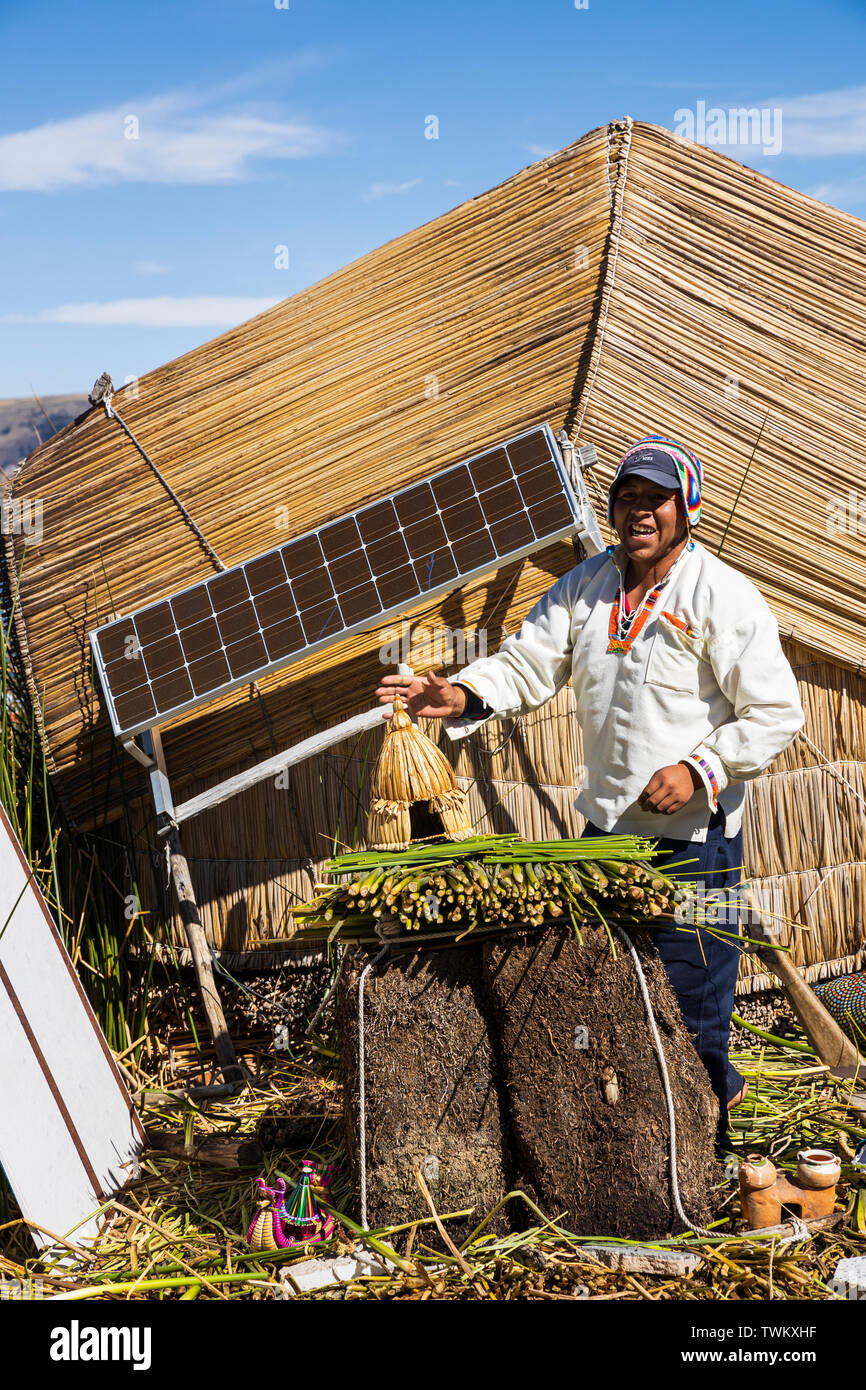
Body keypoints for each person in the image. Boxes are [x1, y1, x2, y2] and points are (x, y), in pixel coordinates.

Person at [376, 435, 804, 1148]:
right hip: (608, 835)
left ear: (686, 508)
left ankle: (709, 1152)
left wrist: (700, 769)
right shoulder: (587, 587)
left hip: (696, 843)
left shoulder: (721, 595)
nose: (639, 512)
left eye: (655, 499)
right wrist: (459, 692)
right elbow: (528, 662)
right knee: (612, 990)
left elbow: (777, 712)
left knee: (691, 998)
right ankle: (639, 1142)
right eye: (628, 498)